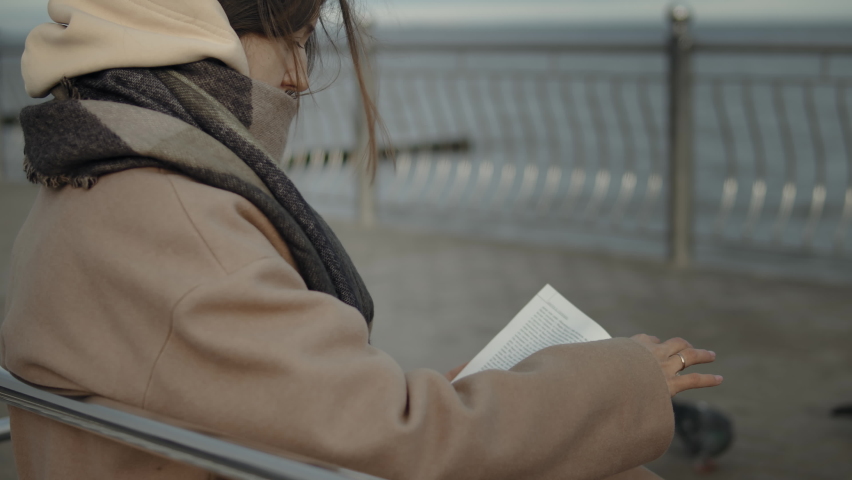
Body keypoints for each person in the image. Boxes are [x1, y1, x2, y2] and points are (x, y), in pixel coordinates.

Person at [0, 0, 723, 479]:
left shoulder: (94, 185)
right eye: (298, 38)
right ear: (207, 32)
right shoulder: (177, 220)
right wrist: (623, 381)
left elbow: (287, 405)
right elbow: (402, 446)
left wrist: (459, 393)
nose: (298, 73)